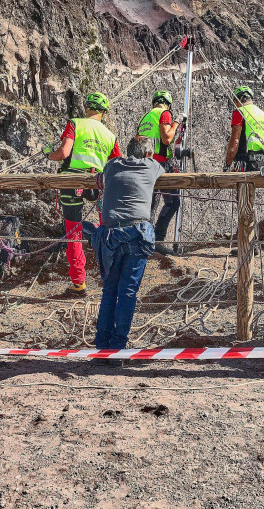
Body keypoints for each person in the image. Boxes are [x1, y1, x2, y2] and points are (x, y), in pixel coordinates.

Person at [82, 136, 164, 367]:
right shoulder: (152, 166)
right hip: (136, 234)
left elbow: (104, 176)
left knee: (109, 290)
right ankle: (117, 349)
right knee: (127, 293)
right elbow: (161, 168)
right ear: (148, 154)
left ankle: (101, 347)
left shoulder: (112, 165)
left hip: (109, 236)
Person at [43, 92, 120, 296]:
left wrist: (48, 154)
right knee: (107, 228)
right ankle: (111, 276)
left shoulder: (75, 124)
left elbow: (64, 153)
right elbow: (116, 164)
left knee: (73, 232)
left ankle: (79, 283)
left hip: (71, 181)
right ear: (104, 113)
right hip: (98, 183)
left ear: (87, 108)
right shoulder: (110, 136)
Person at [137, 90, 184, 256]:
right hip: (159, 164)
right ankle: (156, 241)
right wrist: (177, 122)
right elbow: (166, 138)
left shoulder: (144, 117)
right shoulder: (164, 113)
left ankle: (145, 243)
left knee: (149, 205)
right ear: (168, 104)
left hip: (143, 163)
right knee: (172, 202)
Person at [224, 86, 264, 172]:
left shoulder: (240, 112)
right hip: (263, 164)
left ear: (236, 101)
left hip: (245, 162)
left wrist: (227, 164)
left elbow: (235, 141)